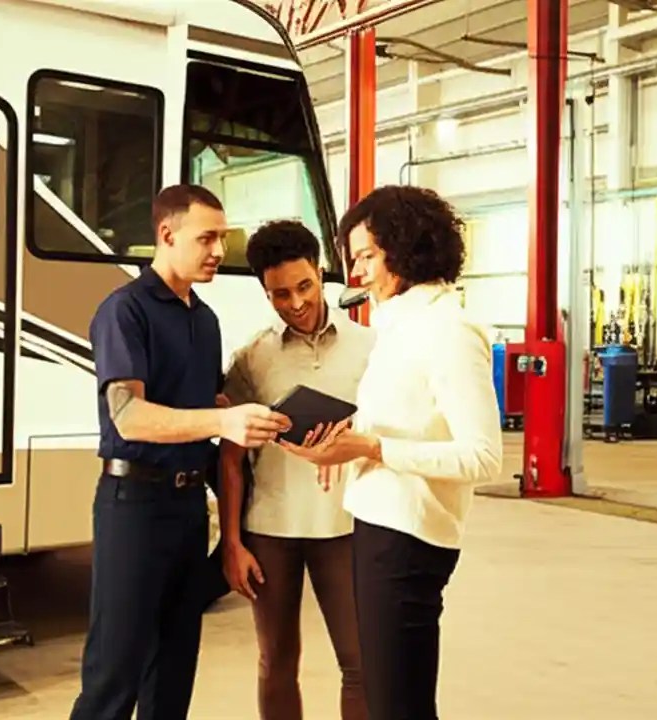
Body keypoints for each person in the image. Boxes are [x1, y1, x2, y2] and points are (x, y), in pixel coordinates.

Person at [278, 185, 503, 720]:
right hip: (380, 525)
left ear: (407, 249)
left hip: (411, 538)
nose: (357, 275)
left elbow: (483, 456)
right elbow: (410, 417)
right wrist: (347, 443)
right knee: (386, 698)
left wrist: (375, 448)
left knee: (396, 704)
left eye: (366, 257)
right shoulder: (400, 325)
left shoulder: (448, 330)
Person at [70, 184, 293, 720]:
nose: (218, 251)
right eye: (207, 238)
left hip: (190, 510)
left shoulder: (204, 319)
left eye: (223, 237)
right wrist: (223, 419)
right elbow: (129, 415)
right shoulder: (124, 311)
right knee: (114, 671)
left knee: (173, 671)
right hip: (135, 506)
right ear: (166, 235)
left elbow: (198, 400)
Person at [218, 220, 374, 720]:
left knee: (360, 664)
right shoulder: (253, 358)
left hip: (346, 526)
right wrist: (233, 542)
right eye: (279, 294)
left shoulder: (371, 348)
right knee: (276, 661)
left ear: (322, 272)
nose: (296, 303)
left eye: (304, 286)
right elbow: (231, 456)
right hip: (270, 531)